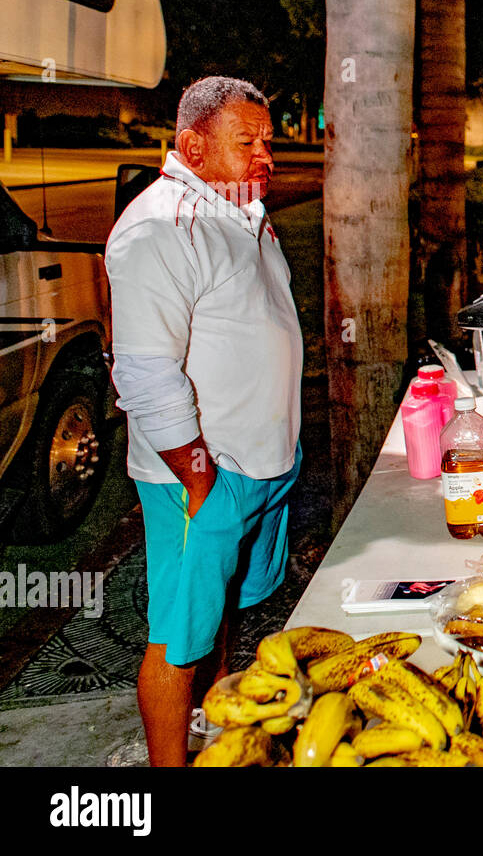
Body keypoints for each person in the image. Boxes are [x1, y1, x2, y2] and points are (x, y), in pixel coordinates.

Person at [106, 76, 303, 766]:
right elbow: (144, 374)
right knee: (176, 641)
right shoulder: (160, 227)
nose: (264, 156)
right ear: (192, 145)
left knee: (218, 619)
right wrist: (199, 481)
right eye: (245, 142)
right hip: (203, 473)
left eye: (267, 141)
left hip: (262, 465)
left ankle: (215, 744)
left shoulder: (246, 211)